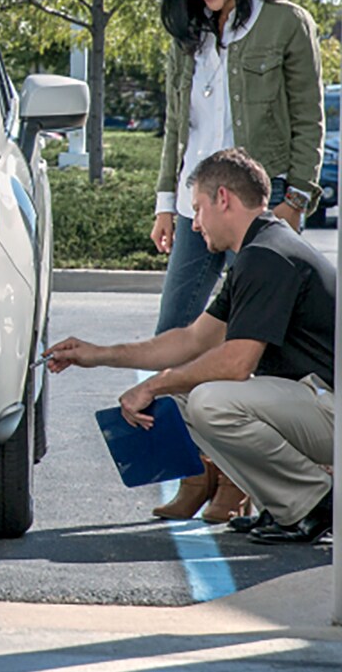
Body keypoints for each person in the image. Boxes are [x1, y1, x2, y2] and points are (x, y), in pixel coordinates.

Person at [47, 148, 334, 545]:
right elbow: (192, 340)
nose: (195, 225)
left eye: (197, 209)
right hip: (314, 403)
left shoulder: (268, 257)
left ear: (223, 199)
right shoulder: (258, 251)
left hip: (329, 408)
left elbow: (236, 363)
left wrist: (152, 384)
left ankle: (314, 503)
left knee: (210, 402)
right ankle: (286, 505)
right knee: (185, 400)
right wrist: (96, 354)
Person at [150, 0, 325, 522]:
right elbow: (178, 127)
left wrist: (293, 201)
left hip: (258, 198)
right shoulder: (190, 35)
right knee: (177, 326)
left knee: (249, 343)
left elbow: (309, 120)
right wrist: (166, 204)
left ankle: (237, 484)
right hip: (198, 204)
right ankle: (198, 475)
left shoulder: (285, 23)